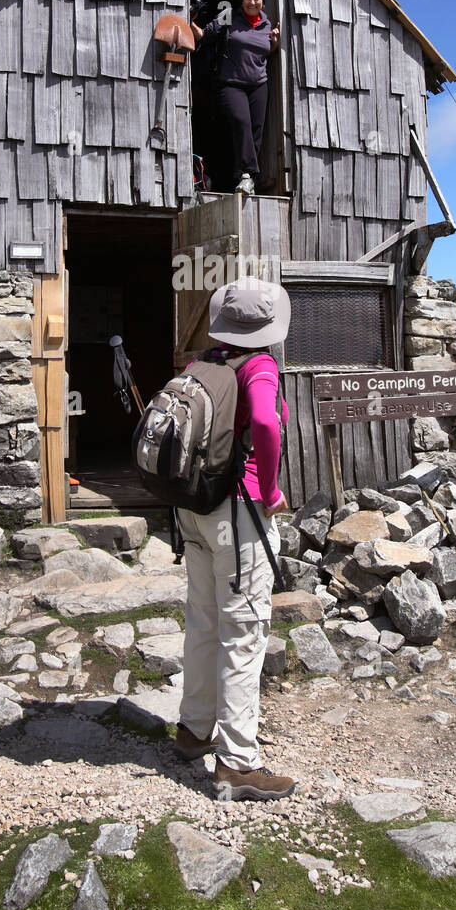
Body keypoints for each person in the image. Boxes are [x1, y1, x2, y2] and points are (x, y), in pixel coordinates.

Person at [173, 276, 297, 802]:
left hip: (193, 509)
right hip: (238, 512)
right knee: (243, 632)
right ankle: (238, 764)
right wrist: (268, 490)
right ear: (268, 328)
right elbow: (265, 425)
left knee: (203, 617)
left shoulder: (202, 362)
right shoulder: (259, 366)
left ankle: (193, 729)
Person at [191, 0, 280, 196]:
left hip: (258, 83)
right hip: (231, 84)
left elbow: (263, 53)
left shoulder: (268, 25)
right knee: (242, 122)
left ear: (263, 1)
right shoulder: (228, 15)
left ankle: (245, 178)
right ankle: (248, 173)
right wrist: (189, 21)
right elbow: (205, 34)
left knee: (256, 131)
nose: (252, 2)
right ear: (242, 0)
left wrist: (275, 44)